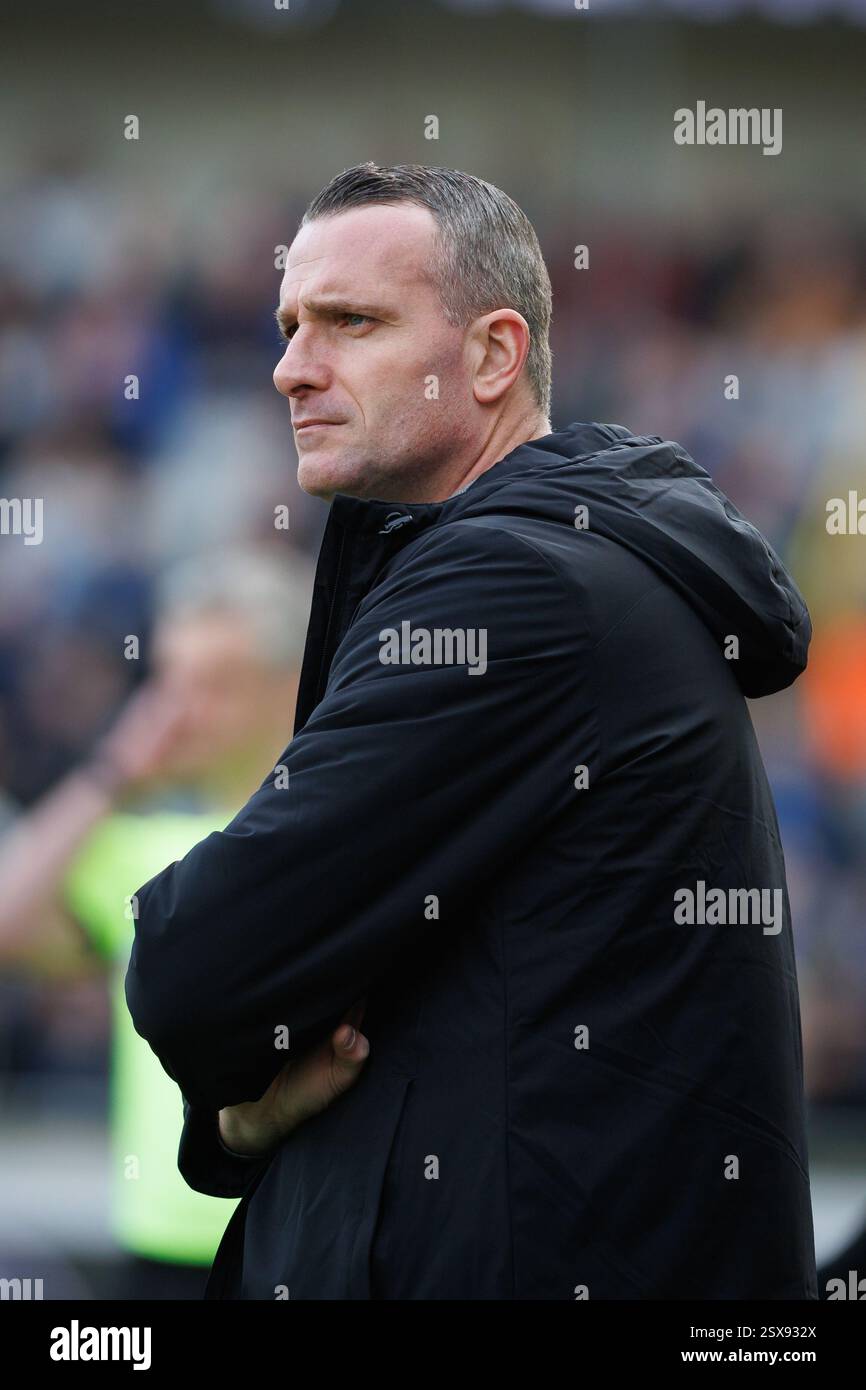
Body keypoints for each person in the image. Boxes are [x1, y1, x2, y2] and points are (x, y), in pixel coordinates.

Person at [126, 163, 818, 1300]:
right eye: (288, 324)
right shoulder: (529, 563)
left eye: (350, 323)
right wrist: (238, 1125)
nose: (291, 366)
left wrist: (240, 1111)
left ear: (495, 356)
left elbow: (194, 962)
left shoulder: (517, 587)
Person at [0, 547, 369, 1298]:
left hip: (305, 1240)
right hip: (161, 1248)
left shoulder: (346, 842)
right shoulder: (147, 846)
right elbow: (9, 925)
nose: (175, 713)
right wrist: (115, 768)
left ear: (288, 686)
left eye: (210, 686)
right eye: (166, 681)